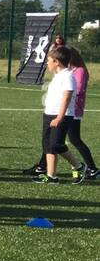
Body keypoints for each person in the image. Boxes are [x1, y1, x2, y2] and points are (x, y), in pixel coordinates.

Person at [37, 47, 84, 184]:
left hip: (62, 116)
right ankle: (51, 176)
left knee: (56, 144)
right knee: (48, 146)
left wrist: (59, 117)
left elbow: (66, 98)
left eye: (49, 61)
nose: (47, 63)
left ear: (56, 62)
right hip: (49, 113)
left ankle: (79, 166)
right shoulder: (57, 76)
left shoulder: (68, 76)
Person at [65, 47, 96, 179]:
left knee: (74, 139)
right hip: (66, 109)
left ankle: (92, 168)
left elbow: (78, 90)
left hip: (74, 110)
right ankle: (42, 166)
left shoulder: (80, 71)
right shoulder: (69, 71)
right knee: (57, 139)